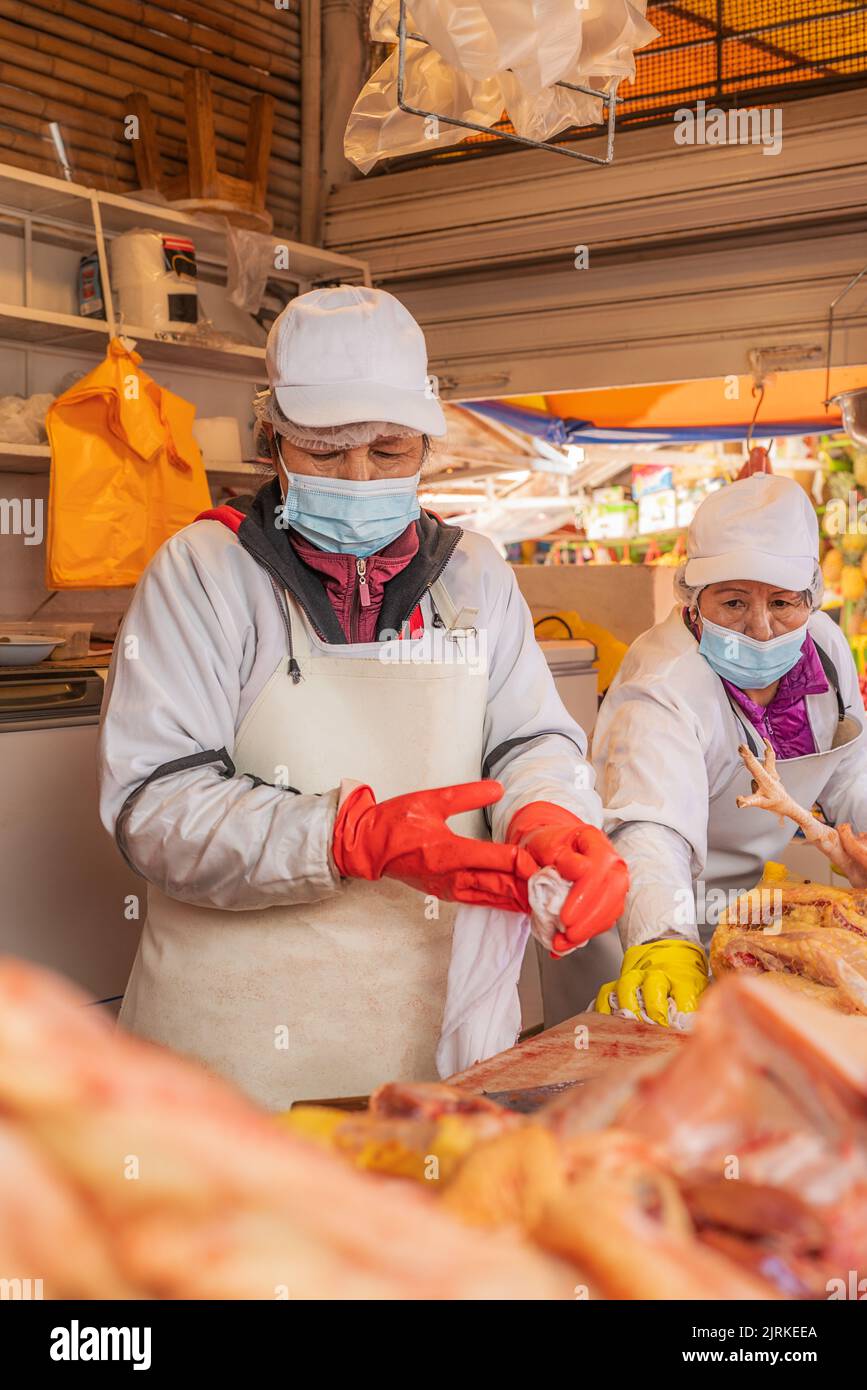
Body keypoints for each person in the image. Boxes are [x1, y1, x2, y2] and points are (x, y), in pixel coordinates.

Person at [98, 285, 627, 1108]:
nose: (356, 476)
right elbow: (154, 806)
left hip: (434, 1025)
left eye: (387, 452)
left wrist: (549, 817)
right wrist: (347, 837)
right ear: (272, 438)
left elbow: (529, 743)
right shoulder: (203, 571)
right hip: (232, 1041)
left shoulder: (472, 573)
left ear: (426, 443)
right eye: (323, 450)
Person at [591, 472, 867, 1026]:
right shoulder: (661, 685)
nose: (762, 628)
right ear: (692, 599)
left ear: (812, 596)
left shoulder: (825, 648)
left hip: (754, 921)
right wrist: (665, 940)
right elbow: (651, 832)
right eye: (734, 602)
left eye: (784, 602)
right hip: (654, 918)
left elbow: (852, 775)